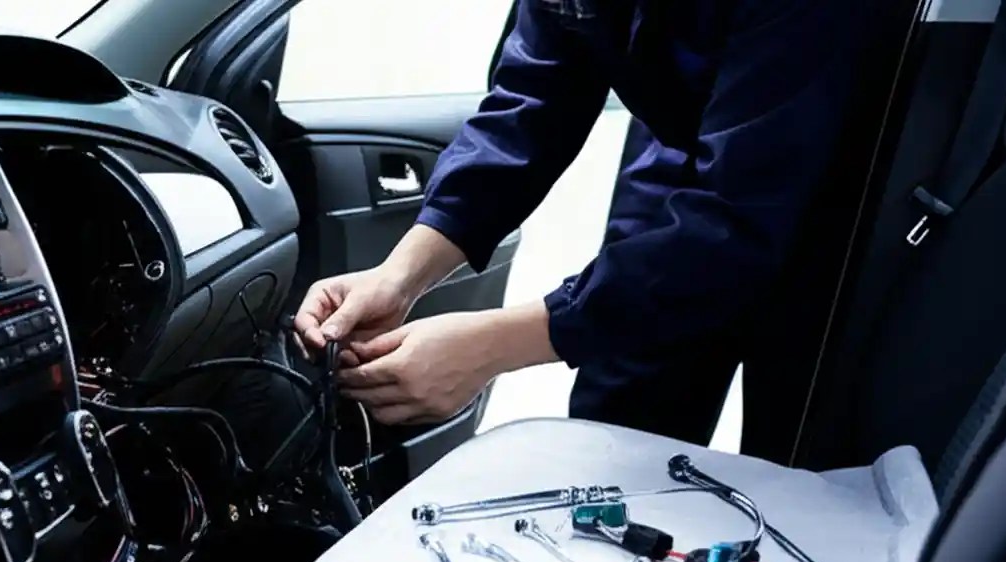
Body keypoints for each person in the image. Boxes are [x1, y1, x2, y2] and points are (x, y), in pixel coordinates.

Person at [294, 0, 864, 443]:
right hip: (684, 156)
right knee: (613, 439)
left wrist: (493, 347)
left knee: (803, 462)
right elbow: (532, 97)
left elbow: (737, 217)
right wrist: (401, 274)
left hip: (843, 203)